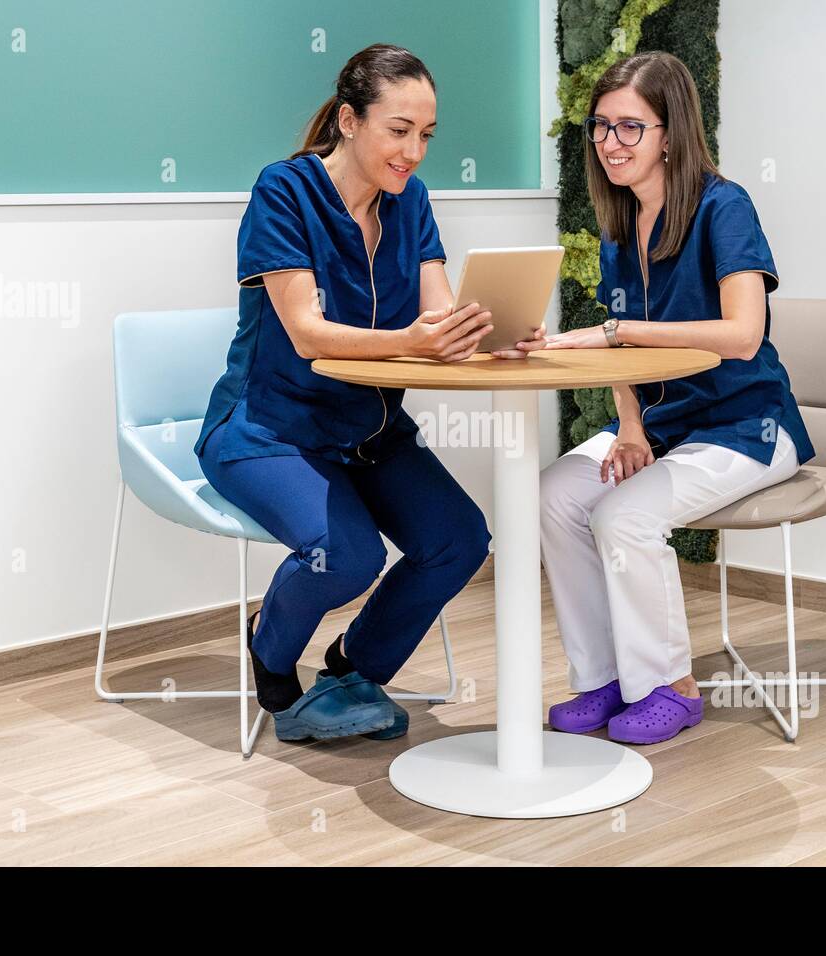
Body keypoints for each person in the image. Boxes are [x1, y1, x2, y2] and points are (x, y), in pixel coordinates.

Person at [194, 44, 514, 743]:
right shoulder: (284, 192)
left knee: (460, 540)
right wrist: (418, 340)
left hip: (371, 433)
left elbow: (436, 310)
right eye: (399, 130)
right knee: (350, 555)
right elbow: (308, 333)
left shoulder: (412, 202)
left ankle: (353, 664)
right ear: (348, 120)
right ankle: (270, 650)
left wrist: (484, 330)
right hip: (268, 430)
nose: (414, 151)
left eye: (426, 135)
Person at [522, 51, 816, 745]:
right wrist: (629, 425)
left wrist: (613, 330)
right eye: (600, 127)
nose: (609, 144)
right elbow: (616, 350)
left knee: (624, 515)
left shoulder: (725, 207)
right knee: (557, 493)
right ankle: (603, 679)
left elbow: (743, 334)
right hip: (666, 425)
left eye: (630, 128)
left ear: (671, 134)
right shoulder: (622, 225)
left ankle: (668, 686)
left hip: (747, 425)